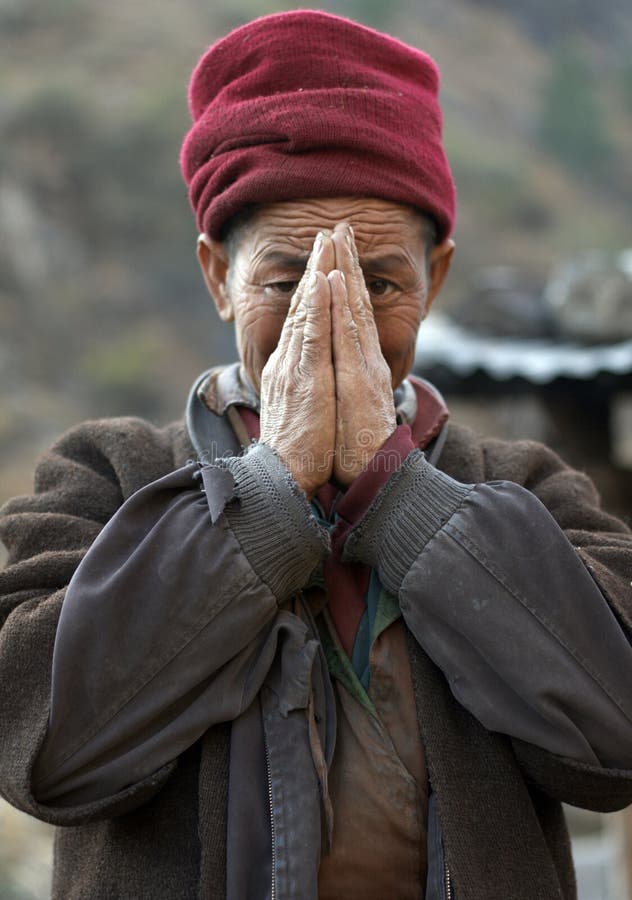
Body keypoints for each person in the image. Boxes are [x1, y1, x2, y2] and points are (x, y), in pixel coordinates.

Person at [1, 10, 632, 900]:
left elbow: (615, 741)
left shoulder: (524, 488)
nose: (331, 317)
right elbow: (47, 753)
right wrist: (269, 492)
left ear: (436, 279)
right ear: (218, 277)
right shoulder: (103, 481)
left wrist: (401, 495)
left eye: (378, 282)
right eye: (286, 279)